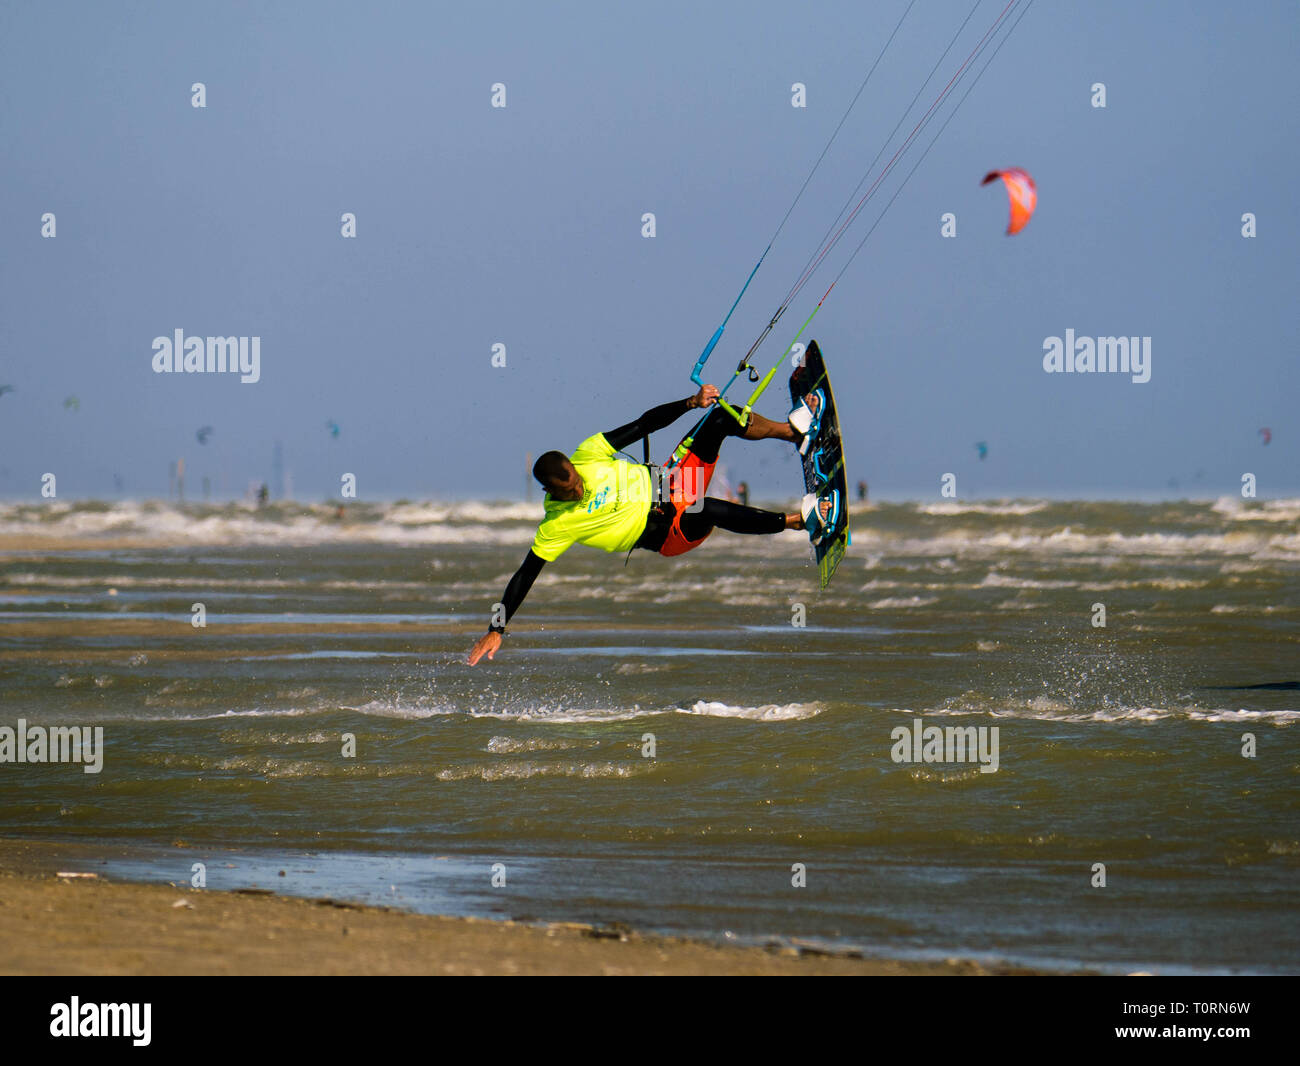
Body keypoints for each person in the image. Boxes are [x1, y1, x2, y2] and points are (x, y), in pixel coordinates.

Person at [467, 384, 829, 664]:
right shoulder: (558, 524)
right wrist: (495, 629)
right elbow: (525, 574)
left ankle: (796, 434)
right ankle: (800, 522)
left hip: (675, 481)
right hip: (669, 532)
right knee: (708, 509)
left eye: (578, 481)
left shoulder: (588, 454)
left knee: (721, 416)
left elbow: (644, 424)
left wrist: (691, 402)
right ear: (550, 490)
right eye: (571, 490)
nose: (579, 489)